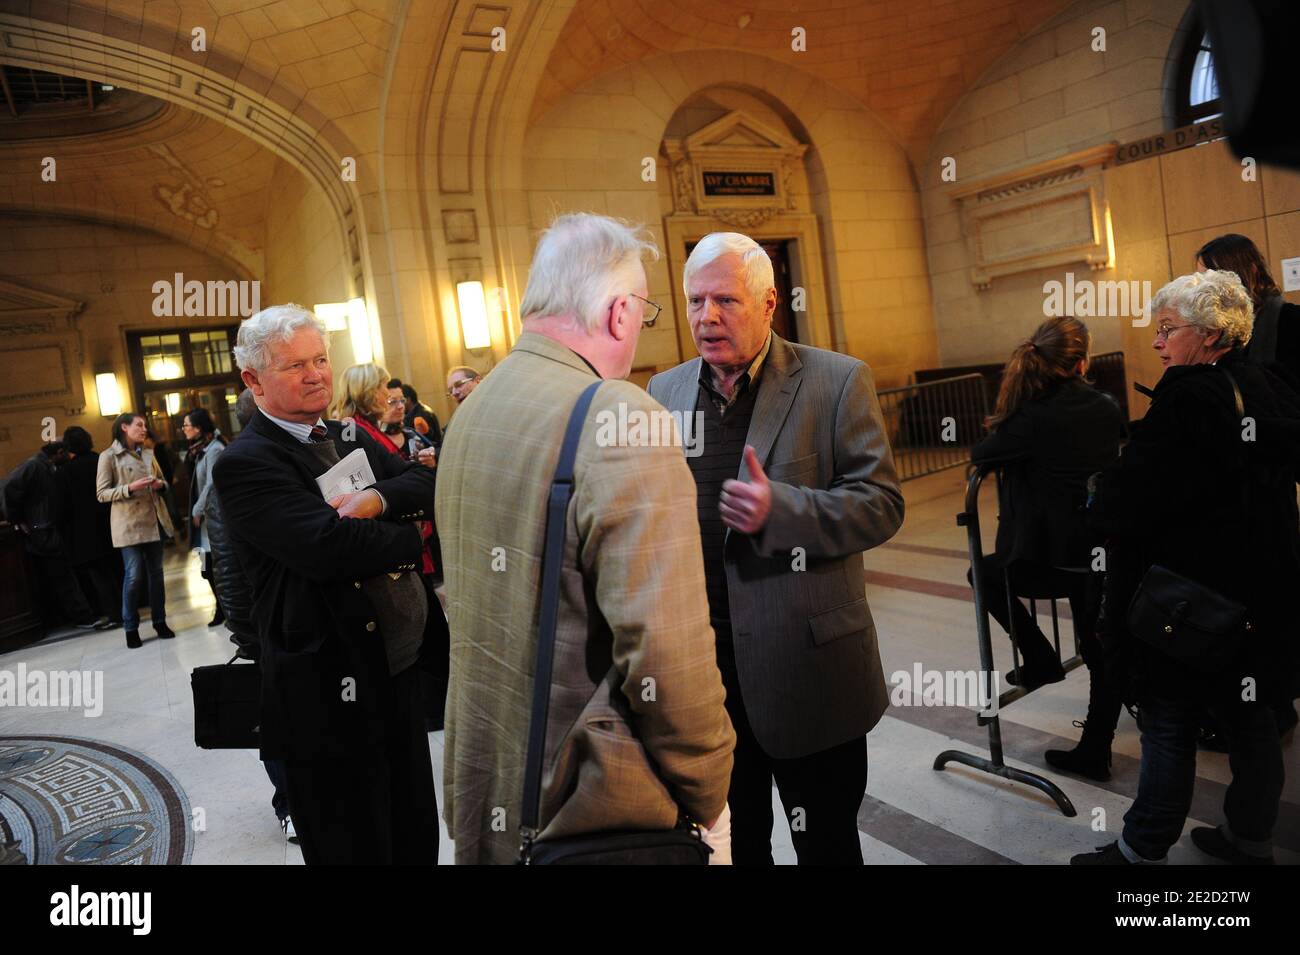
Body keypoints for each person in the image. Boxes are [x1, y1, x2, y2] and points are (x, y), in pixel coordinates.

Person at [435, 213, 736, 865]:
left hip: (489, 790)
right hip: (593, 806)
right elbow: (664, 650)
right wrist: (709, 787)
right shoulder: (619, 414)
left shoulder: (472, 412)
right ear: (620, 311)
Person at [648, 231, 904, 865]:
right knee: (736, 847)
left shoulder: (837, 381)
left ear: (768, 304)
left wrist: (783, 510)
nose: (707, 318)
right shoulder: (662, 393)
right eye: (695, 301)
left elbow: (881, 504)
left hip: (808, 671)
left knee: (827, 848)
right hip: (708, 679)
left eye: (726, 301)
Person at [1072, 270, 1300, 866]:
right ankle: (1249, 841)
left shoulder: (1187, 399)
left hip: (1186, 600)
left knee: (1168, 723)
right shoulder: (1265, 385)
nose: (1157, 343)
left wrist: (1099, 500)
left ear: (1212, 334)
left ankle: (1139, 850)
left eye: (1168, 330)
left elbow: (1134, 500)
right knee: (1250, 718)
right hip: (1257, 595)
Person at [213, 303, 440, 865]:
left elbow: (426, 479)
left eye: (320, 359)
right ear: (253, 380)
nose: (316, 374)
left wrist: (377, 501)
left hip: (397, 669)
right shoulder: (248, 461)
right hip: (330, 684)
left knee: (412, 826)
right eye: (295, 366)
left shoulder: (342, 434)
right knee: (355, 840)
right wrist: (413, 540)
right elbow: (328, 548)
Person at [968, 317, 1126, 780]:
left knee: (984, 574)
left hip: (1048, 558)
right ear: (1082, 363)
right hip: (1102, 550)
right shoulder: (1105, 405)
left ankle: (1039, 658)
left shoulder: (1030, 418)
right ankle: (1096, 745)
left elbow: (982, 455)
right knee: (1098, 648)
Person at [96, 414, 176, 649]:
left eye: (144, 425)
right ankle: (130, 628)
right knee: (133, 576)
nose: (144, 429)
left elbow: (164, 482)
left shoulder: (149, 453)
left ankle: (160, 622)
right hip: (128, 524)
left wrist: (159, 485)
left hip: (153, 521)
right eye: (139, 425)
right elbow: (101, 494)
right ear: (124, 427)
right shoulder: (108, 456)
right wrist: (130, 488)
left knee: (157, 575)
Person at [4, 442, 101, 632]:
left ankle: (80, 615)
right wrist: (16, 519)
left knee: (62, 575)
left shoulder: (43, 466)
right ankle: (82, 616)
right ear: (59, 453)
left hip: (46, 527)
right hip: (43, 529)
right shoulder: (34, 466)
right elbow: (9, 487)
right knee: (62, 575)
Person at [1197, 233, 1300, 386]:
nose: (1205, 287)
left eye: (1214, 277)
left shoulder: (1291, 319)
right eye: (1201, 279)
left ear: (1249, 272)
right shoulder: (1216, 330)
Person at [60, 427, 123, 628]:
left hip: (85, 532)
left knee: (99, 576)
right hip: (111, 524)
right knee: (118, 569)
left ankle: (114, 615)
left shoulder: (65, 472)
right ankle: (128, 608)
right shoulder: (101, 460)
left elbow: (63, 506)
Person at [181, 408, 227, 627]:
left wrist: (197, 510)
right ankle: (221, 607)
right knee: (207, 566)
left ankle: (224, 608)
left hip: (213, 517)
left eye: (187, 425)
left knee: (215, 565)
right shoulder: (200, 450)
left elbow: (211, 483)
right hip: (206, 518)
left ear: (198, 428)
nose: (184, 430)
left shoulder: (215, 449)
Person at [397, 380, 442, 448]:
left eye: (401, 400)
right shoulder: (416, 412)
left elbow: (427, 441)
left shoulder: (422, 415)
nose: (398, 405)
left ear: (408, 400)